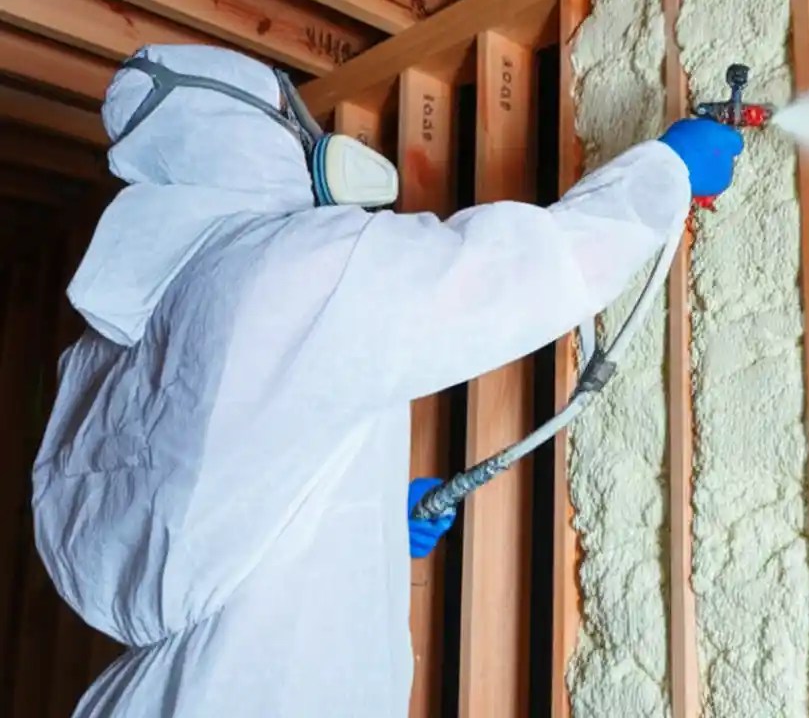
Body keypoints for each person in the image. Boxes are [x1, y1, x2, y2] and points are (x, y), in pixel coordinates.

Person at [30, 44, 742, 717]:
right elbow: (508, 276)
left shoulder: (114, 337)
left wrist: (361, 513)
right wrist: (664, 175)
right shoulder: (287, 263)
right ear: (256, 134)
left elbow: (189, 512)